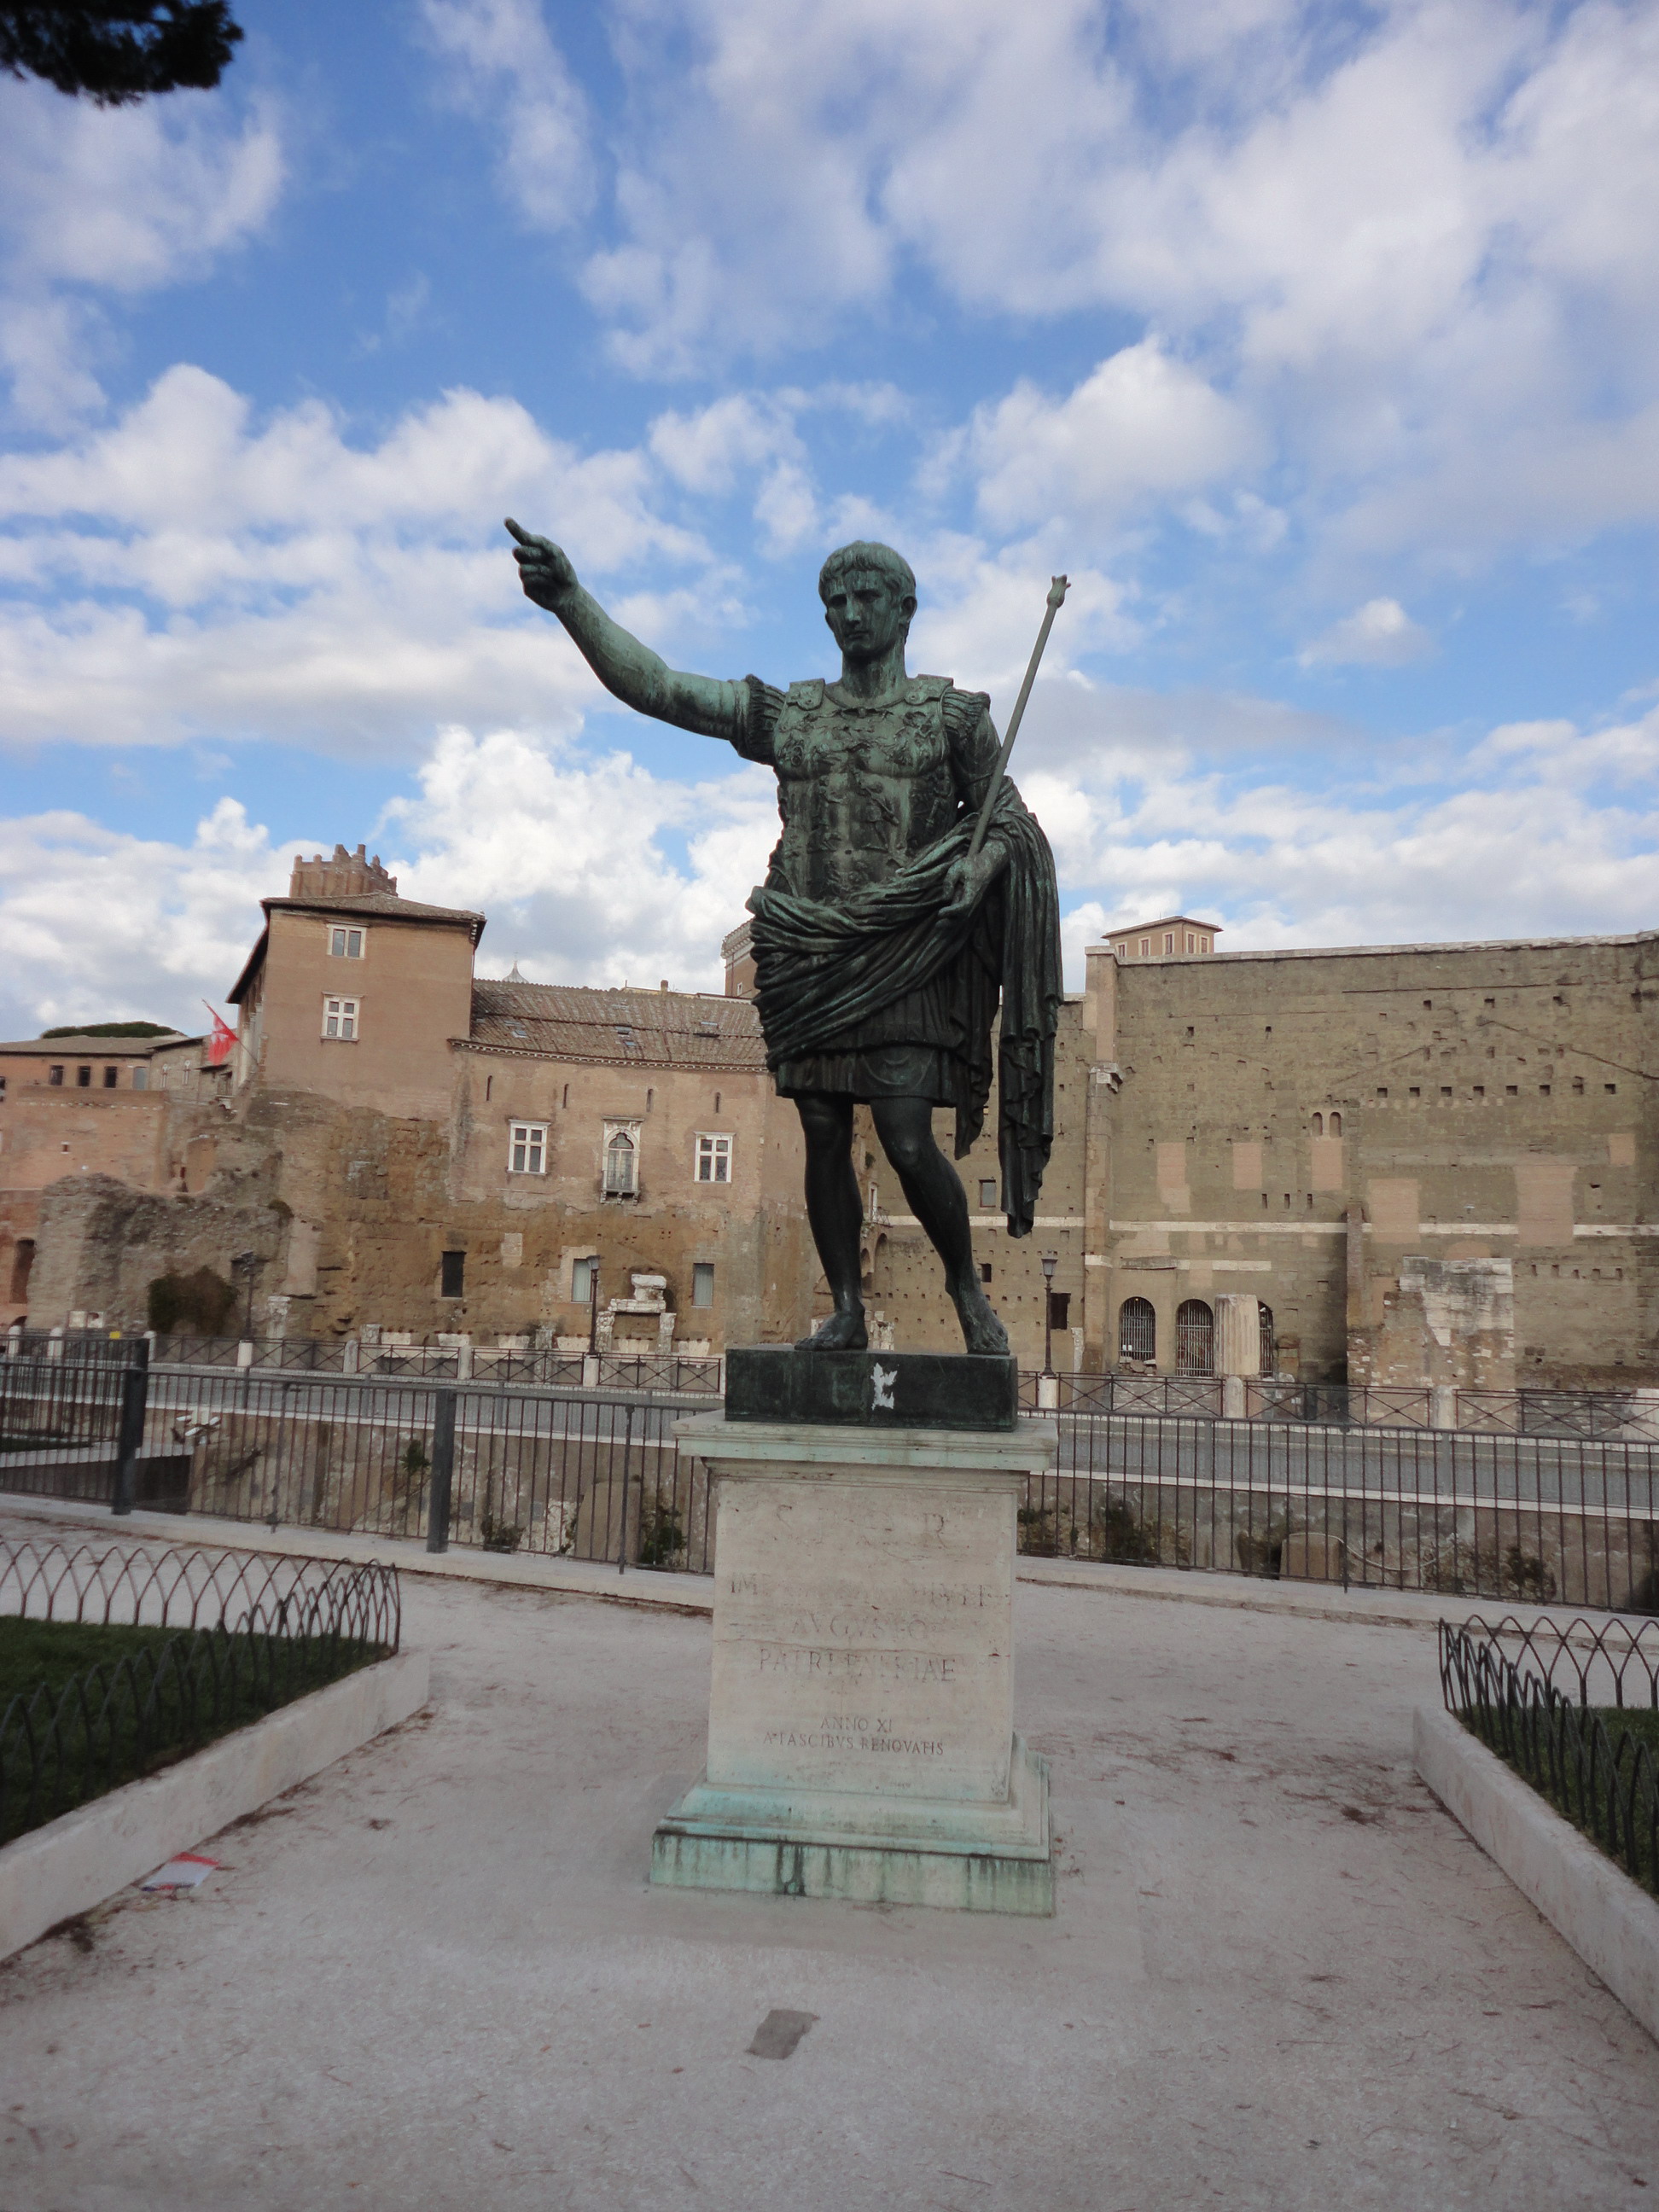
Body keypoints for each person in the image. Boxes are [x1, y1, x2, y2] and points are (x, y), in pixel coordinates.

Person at [508, 521, 1062, 1356]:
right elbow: (660, 688)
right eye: (833, 600)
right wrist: (572, 603)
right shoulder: (796, 715)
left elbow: (1010, 822)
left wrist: (982, 868)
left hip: (904, 953)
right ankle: (844, 1309)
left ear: (905, 609)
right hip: (808, 953)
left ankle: (962, 1289)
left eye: (865, 597)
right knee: (825, 1130)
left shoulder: (951, 719)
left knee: (907, 1138)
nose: (847, 612)